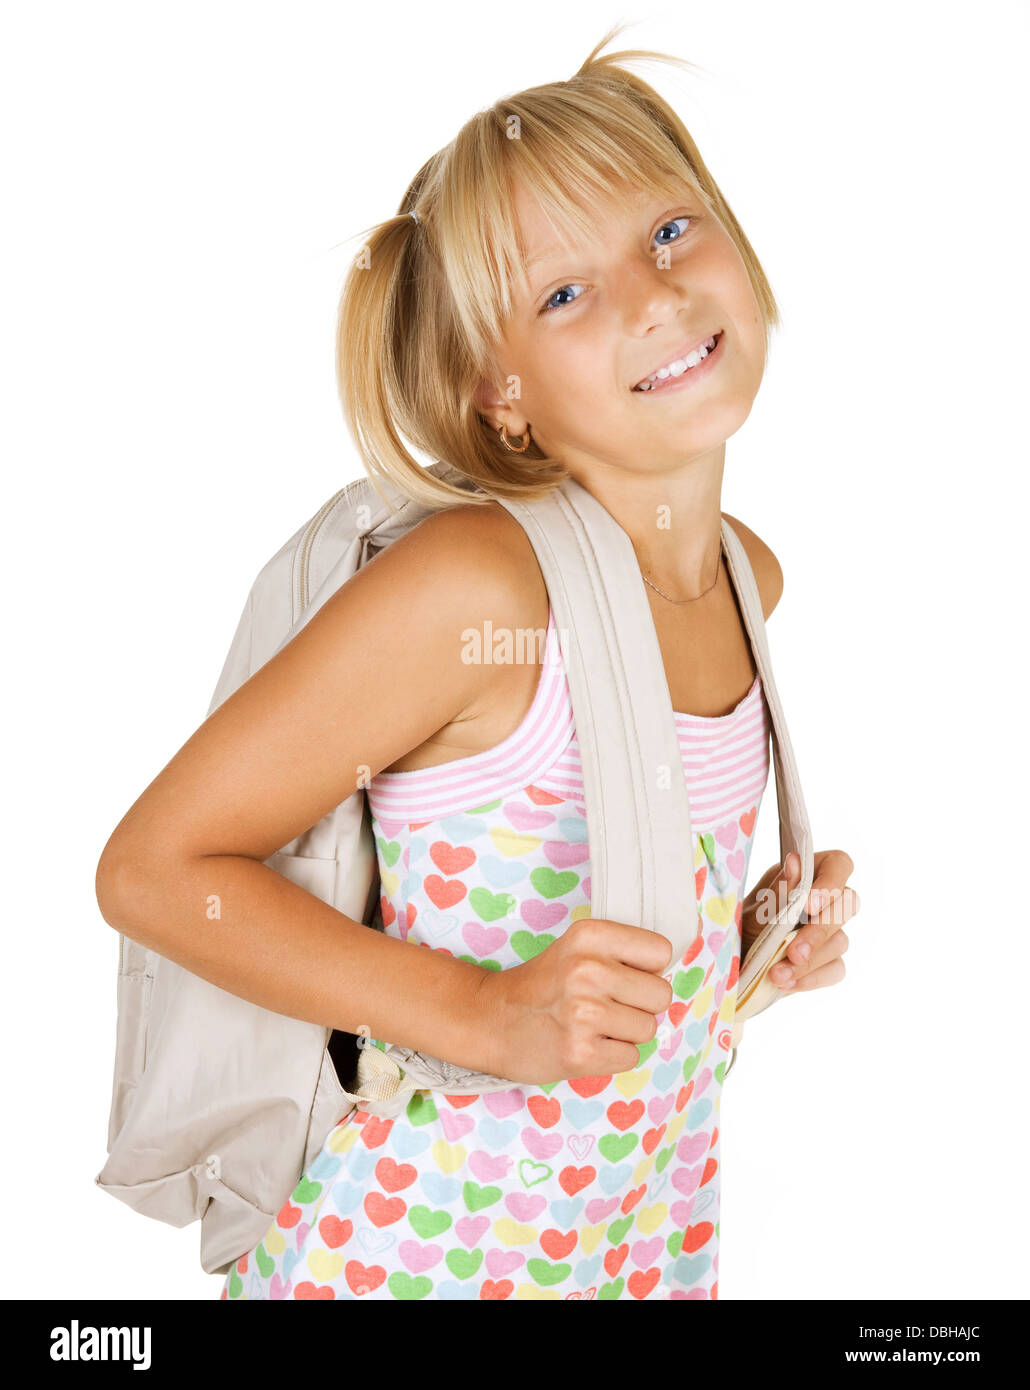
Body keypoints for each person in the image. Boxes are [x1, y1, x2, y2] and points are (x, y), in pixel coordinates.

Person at [95, 22, 859, 1300]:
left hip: (638, 1252)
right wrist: (483, 1015)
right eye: (564, 293)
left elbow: (593, 912)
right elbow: (156, 872)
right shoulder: (475, 587)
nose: (653, 295)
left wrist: (745, 942)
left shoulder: (743, 575)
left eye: (668, 231)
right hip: (399, 1266)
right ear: (499, 393)